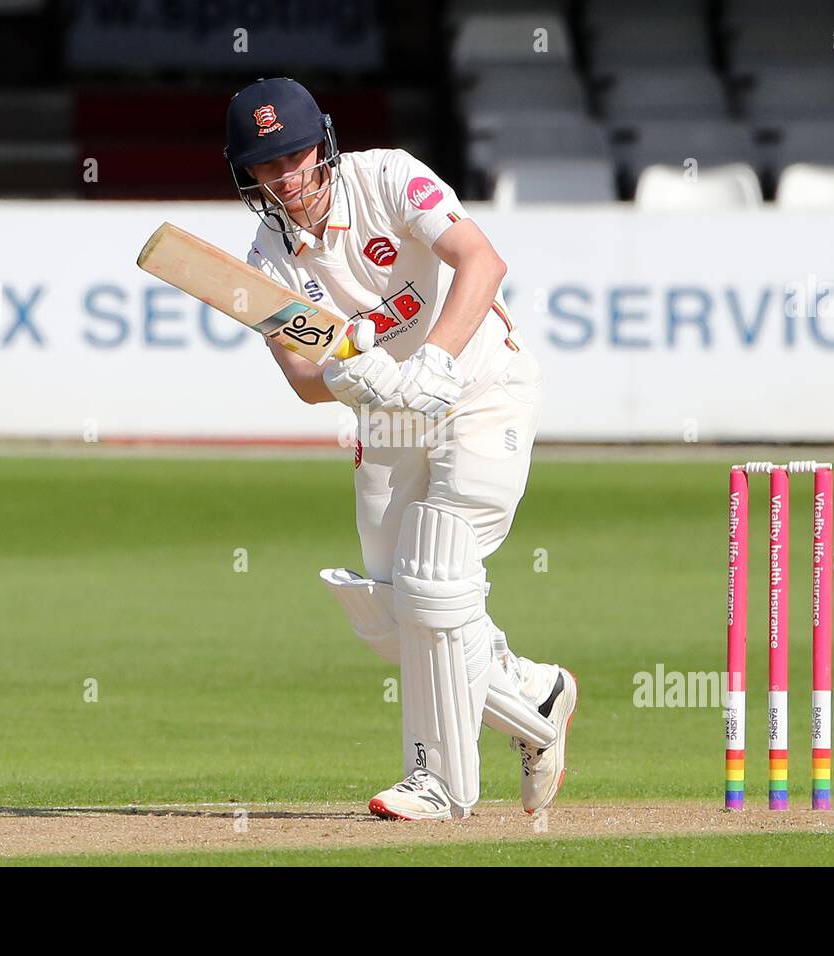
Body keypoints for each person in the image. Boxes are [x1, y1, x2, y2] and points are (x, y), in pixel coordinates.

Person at [226, 77, 576, 821]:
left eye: (295, 156)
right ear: (249, 175)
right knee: (390, 611)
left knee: (436, 571)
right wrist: (355, 377)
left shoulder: (388, 175)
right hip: (387, 419)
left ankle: (440, 785)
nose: (287, 178)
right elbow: (301, 379)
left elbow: (482, 261)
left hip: (481, 388)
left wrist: (434, 366)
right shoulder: (265, 262)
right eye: (267, 166)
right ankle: (535, 692)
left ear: (322, 146)